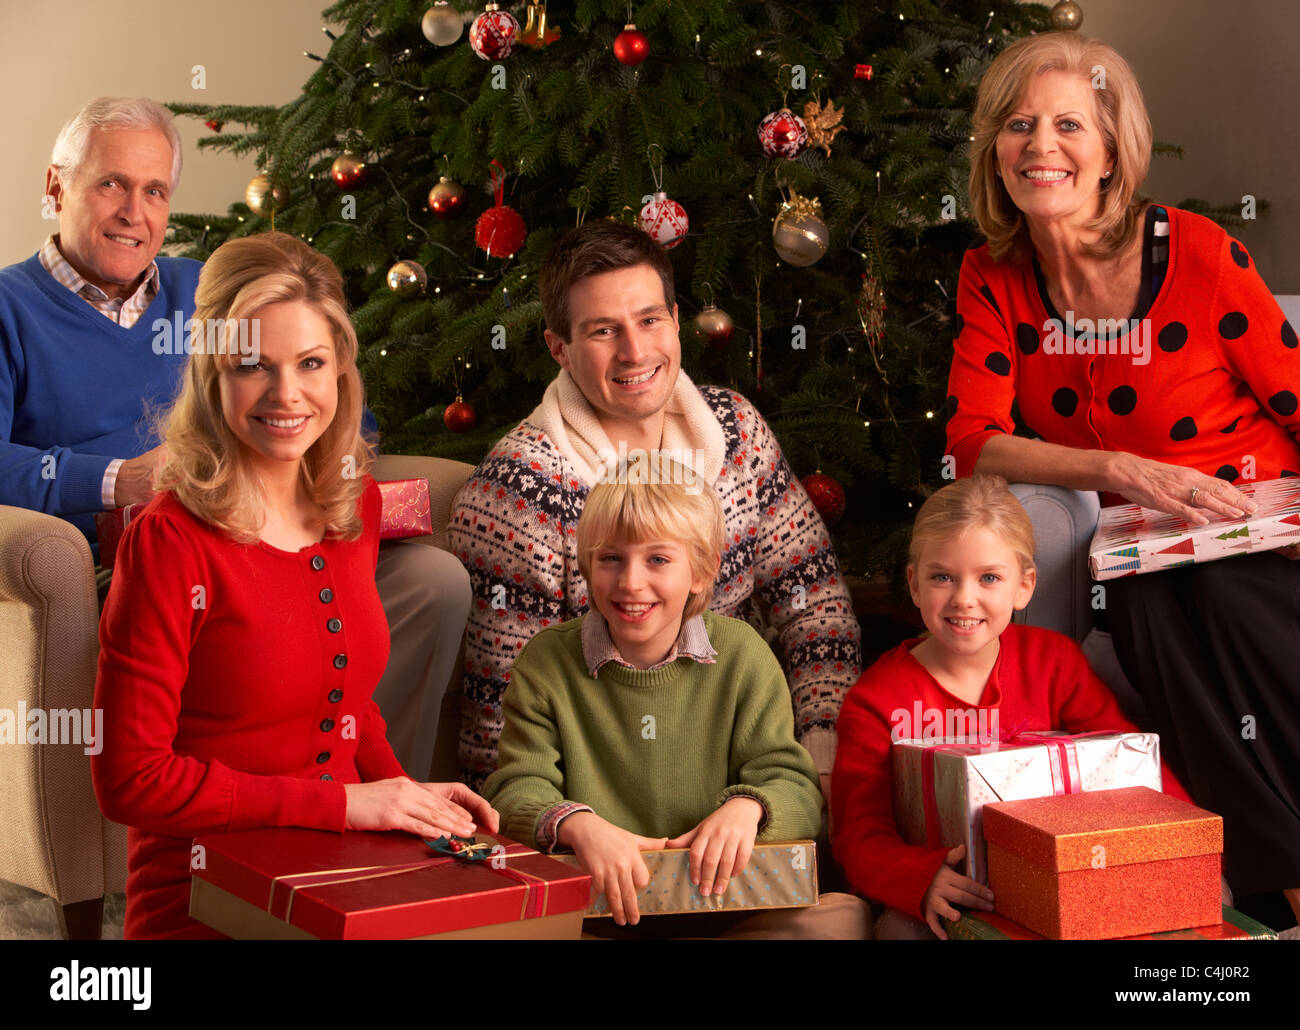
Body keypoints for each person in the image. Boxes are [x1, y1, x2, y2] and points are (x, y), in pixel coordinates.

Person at [944, 31, 1300, 928]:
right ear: (995, 147)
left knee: (1211, 591)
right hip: (1144, 552)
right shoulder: (993, 277)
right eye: (1019, 125)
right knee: (1143, 603)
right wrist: (1118, 470)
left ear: (1111, 151)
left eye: (1069, 123)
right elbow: (971, 442)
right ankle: (1283, 879)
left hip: (1262, 534)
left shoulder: (1200, 254)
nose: (1041, 146)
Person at [0, 97, 465, 778]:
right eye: (111, 184)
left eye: (154, 190)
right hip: (134, 555)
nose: (135, 211)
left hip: (269, 531)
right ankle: (260, 817)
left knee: (433, 579)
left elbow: (325, 401)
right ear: (55, 187)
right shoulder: (10, 308)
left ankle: (385, 807)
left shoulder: (207, 289)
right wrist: (115, 480)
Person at [90, 233, 498, 940]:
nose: (287, 395)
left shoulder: (353, 507)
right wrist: (344, 806)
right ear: (213, 369)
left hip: (330, 878)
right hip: (203, 897)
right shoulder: (171, 540)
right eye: (254, 365)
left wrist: (401, 796)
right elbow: (129, 778)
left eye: (310, 363)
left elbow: (348, 707)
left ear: (340, 365)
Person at [448, 220, 862, 793]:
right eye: (602, 331)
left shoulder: (736, 431)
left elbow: (813, 604)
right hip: (602, 802)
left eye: (649, 320)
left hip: (746, 772)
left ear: (674, 321)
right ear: (559, 349)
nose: (635, 351)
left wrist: (820, 749)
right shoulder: (519, 493)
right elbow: (500, 728)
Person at [484, 455, 869, 938]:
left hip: (728, 916)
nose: (630, 582)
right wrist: (577, 825)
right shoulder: (547, 662)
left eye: (658, 559)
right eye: (610, 559)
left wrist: (749, 809)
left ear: (702, 573)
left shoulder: (742, 655)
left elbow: (795, 789)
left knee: (842, 921)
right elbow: (515, 789)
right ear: (586, 564)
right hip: (597, 920)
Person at [832, 475, 1193, 939]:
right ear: (914, 584)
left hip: (1062, 877)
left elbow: (1131, 760)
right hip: (954, 896)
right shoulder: (877, 700)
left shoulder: (1053, 662)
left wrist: (1186, 841)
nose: (964, 598)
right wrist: (918, 879)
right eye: (942, 576)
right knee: (901, 933)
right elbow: (858, 832)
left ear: (1023, 587)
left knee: (1203, 891)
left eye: (989, 578)